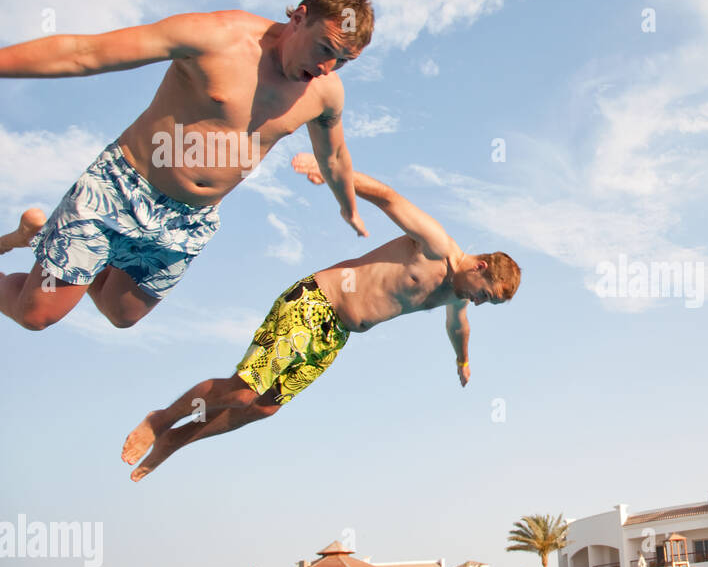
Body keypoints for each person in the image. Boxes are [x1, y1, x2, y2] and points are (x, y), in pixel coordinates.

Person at [0, 0, 375, 331]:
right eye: (325, 49)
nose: (327, 68)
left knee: (121, 313)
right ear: (299, 18)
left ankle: (58, 248)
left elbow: (335, 156)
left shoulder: (325, 93)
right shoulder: (215, 37)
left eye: (343, 60)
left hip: (189, 221)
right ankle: (56, 254)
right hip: (121, 188)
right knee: (37, 315)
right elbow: (86, 54)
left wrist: (349, 208)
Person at [120, 155, 520, 480]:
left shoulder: (457, 295)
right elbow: (388, 198)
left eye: (488, 304)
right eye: (485, 296)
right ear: (481, 267)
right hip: (314, 304)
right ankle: (162, 420)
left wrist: (462, 360)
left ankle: (178, 440)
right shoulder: (435, 245)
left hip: (335, 336)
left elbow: (458, 325)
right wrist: (330, 171)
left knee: (263, 407)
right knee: (244, 391)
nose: (479, 303)